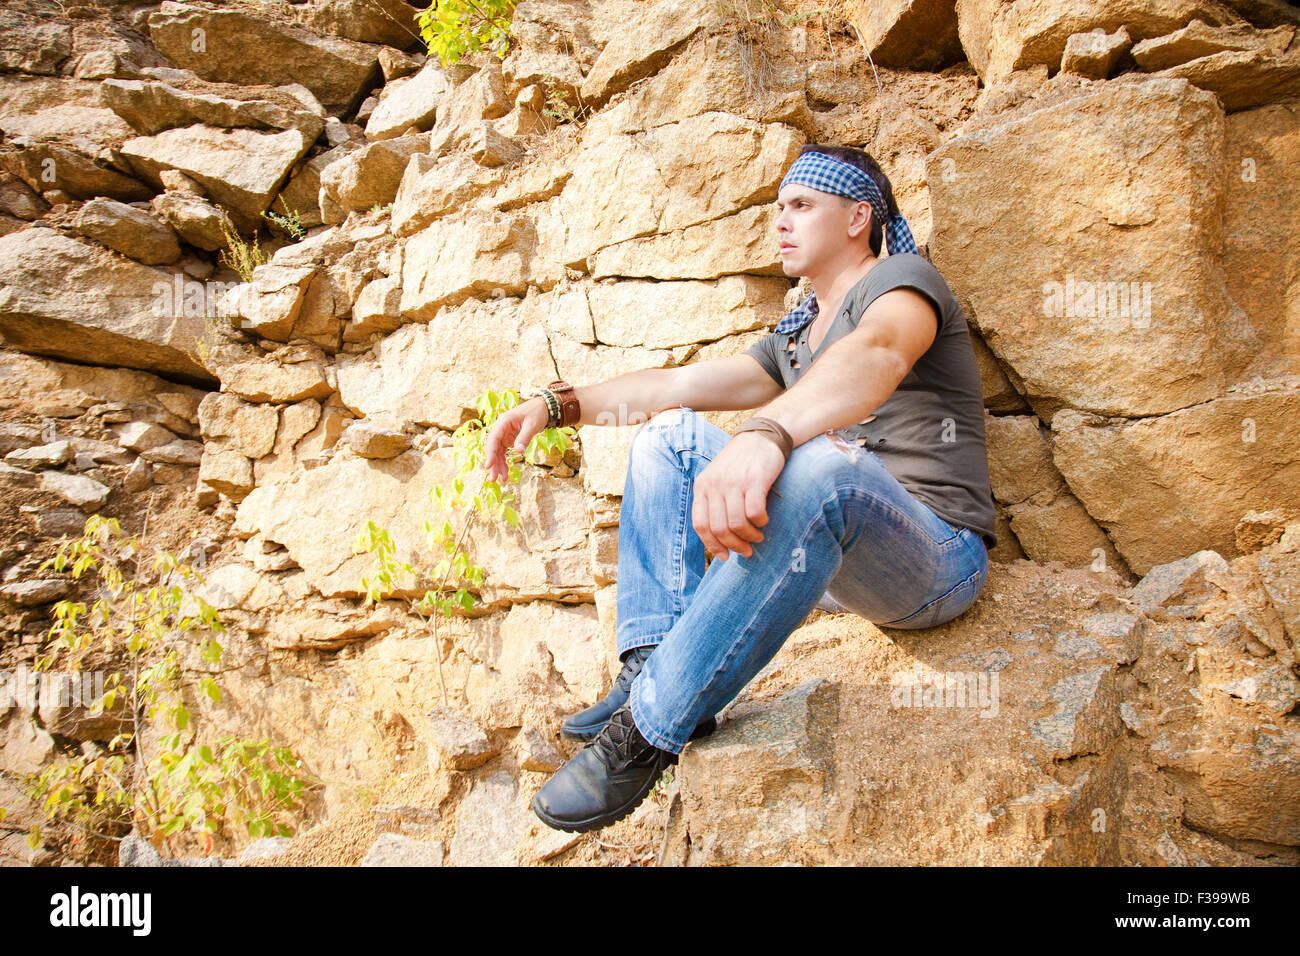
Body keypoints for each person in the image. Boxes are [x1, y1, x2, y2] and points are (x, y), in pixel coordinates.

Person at [482, 144, 998, 834]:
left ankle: (646, 734)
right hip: (838, 558)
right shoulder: (795, 337)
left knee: (821, 466)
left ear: (858, 217)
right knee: (671, 438)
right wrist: (558, 404)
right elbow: (676, 388)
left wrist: (767, 435)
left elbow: (878, 353)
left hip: (935, 556)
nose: (780, 222)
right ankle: (652, 664)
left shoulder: (902, 280)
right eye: (777, 207)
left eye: (801, 206)